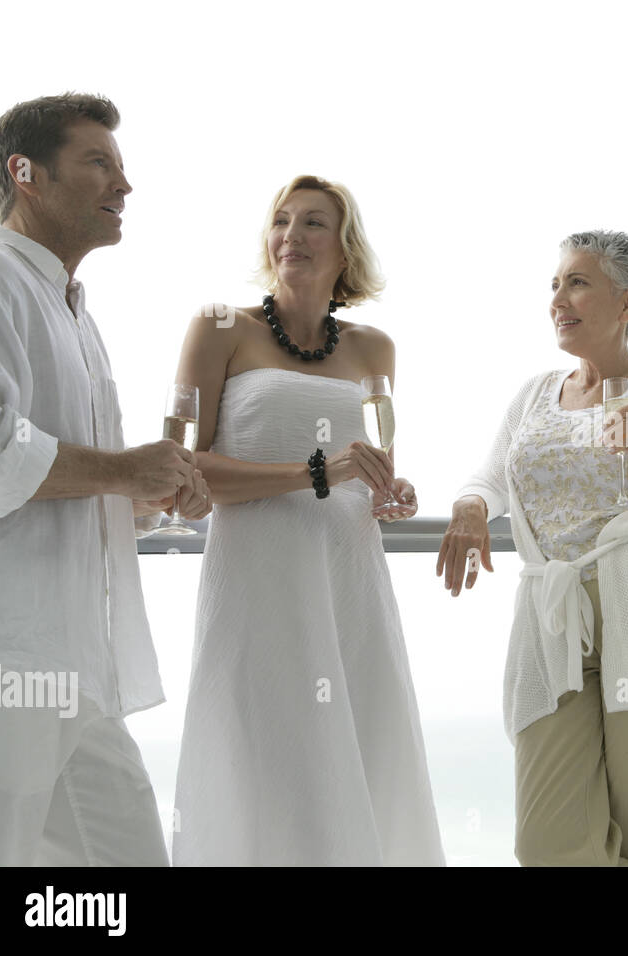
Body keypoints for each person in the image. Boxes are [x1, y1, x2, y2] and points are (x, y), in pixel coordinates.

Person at [438, 230, 628, 866]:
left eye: (577, 282)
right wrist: (469, 506)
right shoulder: (534, 394)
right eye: (555, 284)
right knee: (550, 844)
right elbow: (490, 476)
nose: (558, 298)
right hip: (554, 618)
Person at [169, 174, 444, 865]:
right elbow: (183, 468)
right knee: (267, 766)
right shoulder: (219, 327)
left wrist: (390, 491)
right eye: (282, 221)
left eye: (313, 223)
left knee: (357, 761)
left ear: (345, 250)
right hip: (257, 584)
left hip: (348, 583)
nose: (291, 235)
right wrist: (318, 473)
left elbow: (371, 469)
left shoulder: (374, 348)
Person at [0, 93, 211, 865]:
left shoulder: (74, 310)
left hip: (75, 663)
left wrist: (139, 494)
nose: (124, 185)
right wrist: (121, 468)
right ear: (26, 174)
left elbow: (67, 473)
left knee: (125, 858)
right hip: (0, 662)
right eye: (99, 162)